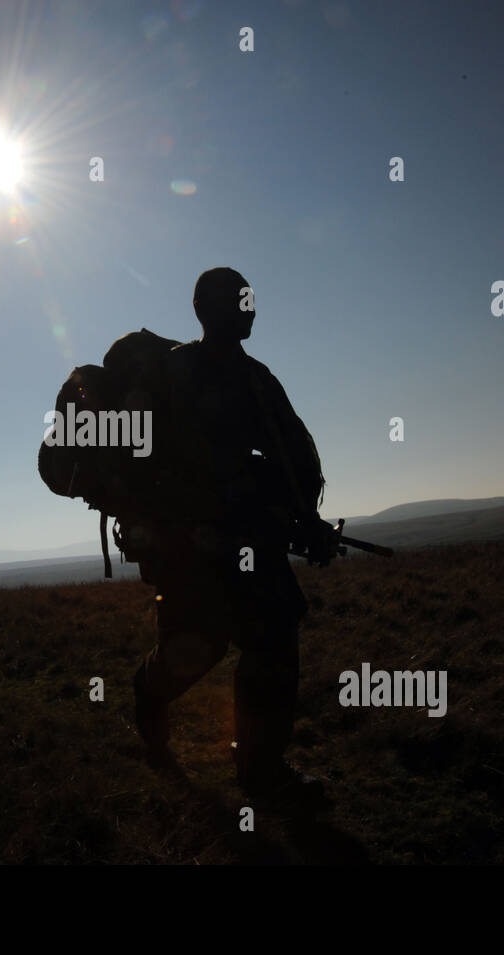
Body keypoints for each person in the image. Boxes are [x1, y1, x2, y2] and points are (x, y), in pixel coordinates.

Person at [131, 267, 340, 804]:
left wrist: (308, 521)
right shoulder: (172, 374)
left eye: (249, 300)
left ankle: (260, 769)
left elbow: (293, 455)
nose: (248, 309)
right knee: (196, 651)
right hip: (186, 547)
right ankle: (149, 695)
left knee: (274, 639)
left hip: (253, 540)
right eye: (237, 300)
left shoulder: (257, 378)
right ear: (204, 309)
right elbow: (139, 462)